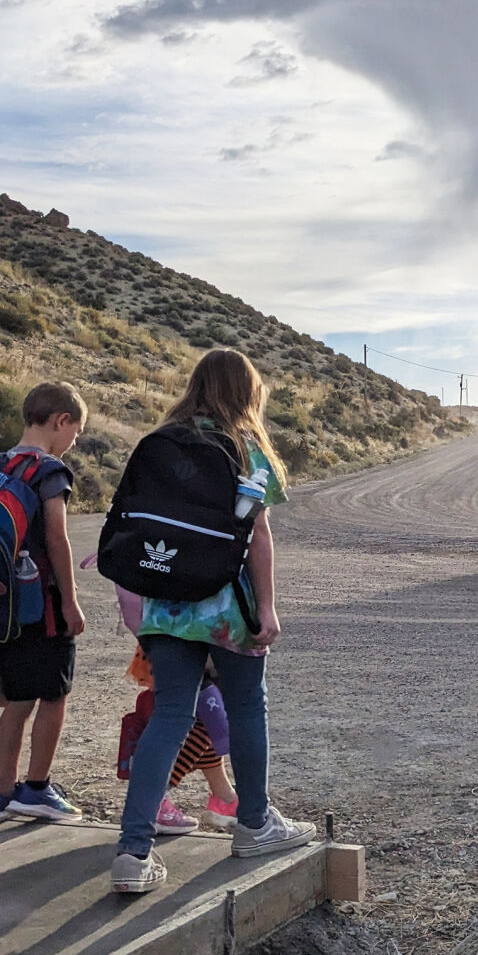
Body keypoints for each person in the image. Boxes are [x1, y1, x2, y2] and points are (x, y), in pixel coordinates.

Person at [111, 349, 314, 893]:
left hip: (166, 603)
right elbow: (258, 537)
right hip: (228, 606)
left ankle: (132, 852)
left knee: (171, 714)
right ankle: (253, 823)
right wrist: (267, 607)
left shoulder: (159, 442)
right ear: (248, 393)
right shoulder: (246, 450)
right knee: (247, 706)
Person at [0, 383, 88, 823]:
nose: (71, 443)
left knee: (18, 699)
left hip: (7, 604)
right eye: (74, 434)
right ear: (61, 421)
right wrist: (71, 603)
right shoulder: (49, 472)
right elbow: (56, 537)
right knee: (55, 695)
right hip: (44, 601)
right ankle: (37, 787)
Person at [120, 642, 240, 834]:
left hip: (188, 636)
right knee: (204, 716)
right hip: (188, 637)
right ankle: (155, 801)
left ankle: (225, 800)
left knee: (208, 719)